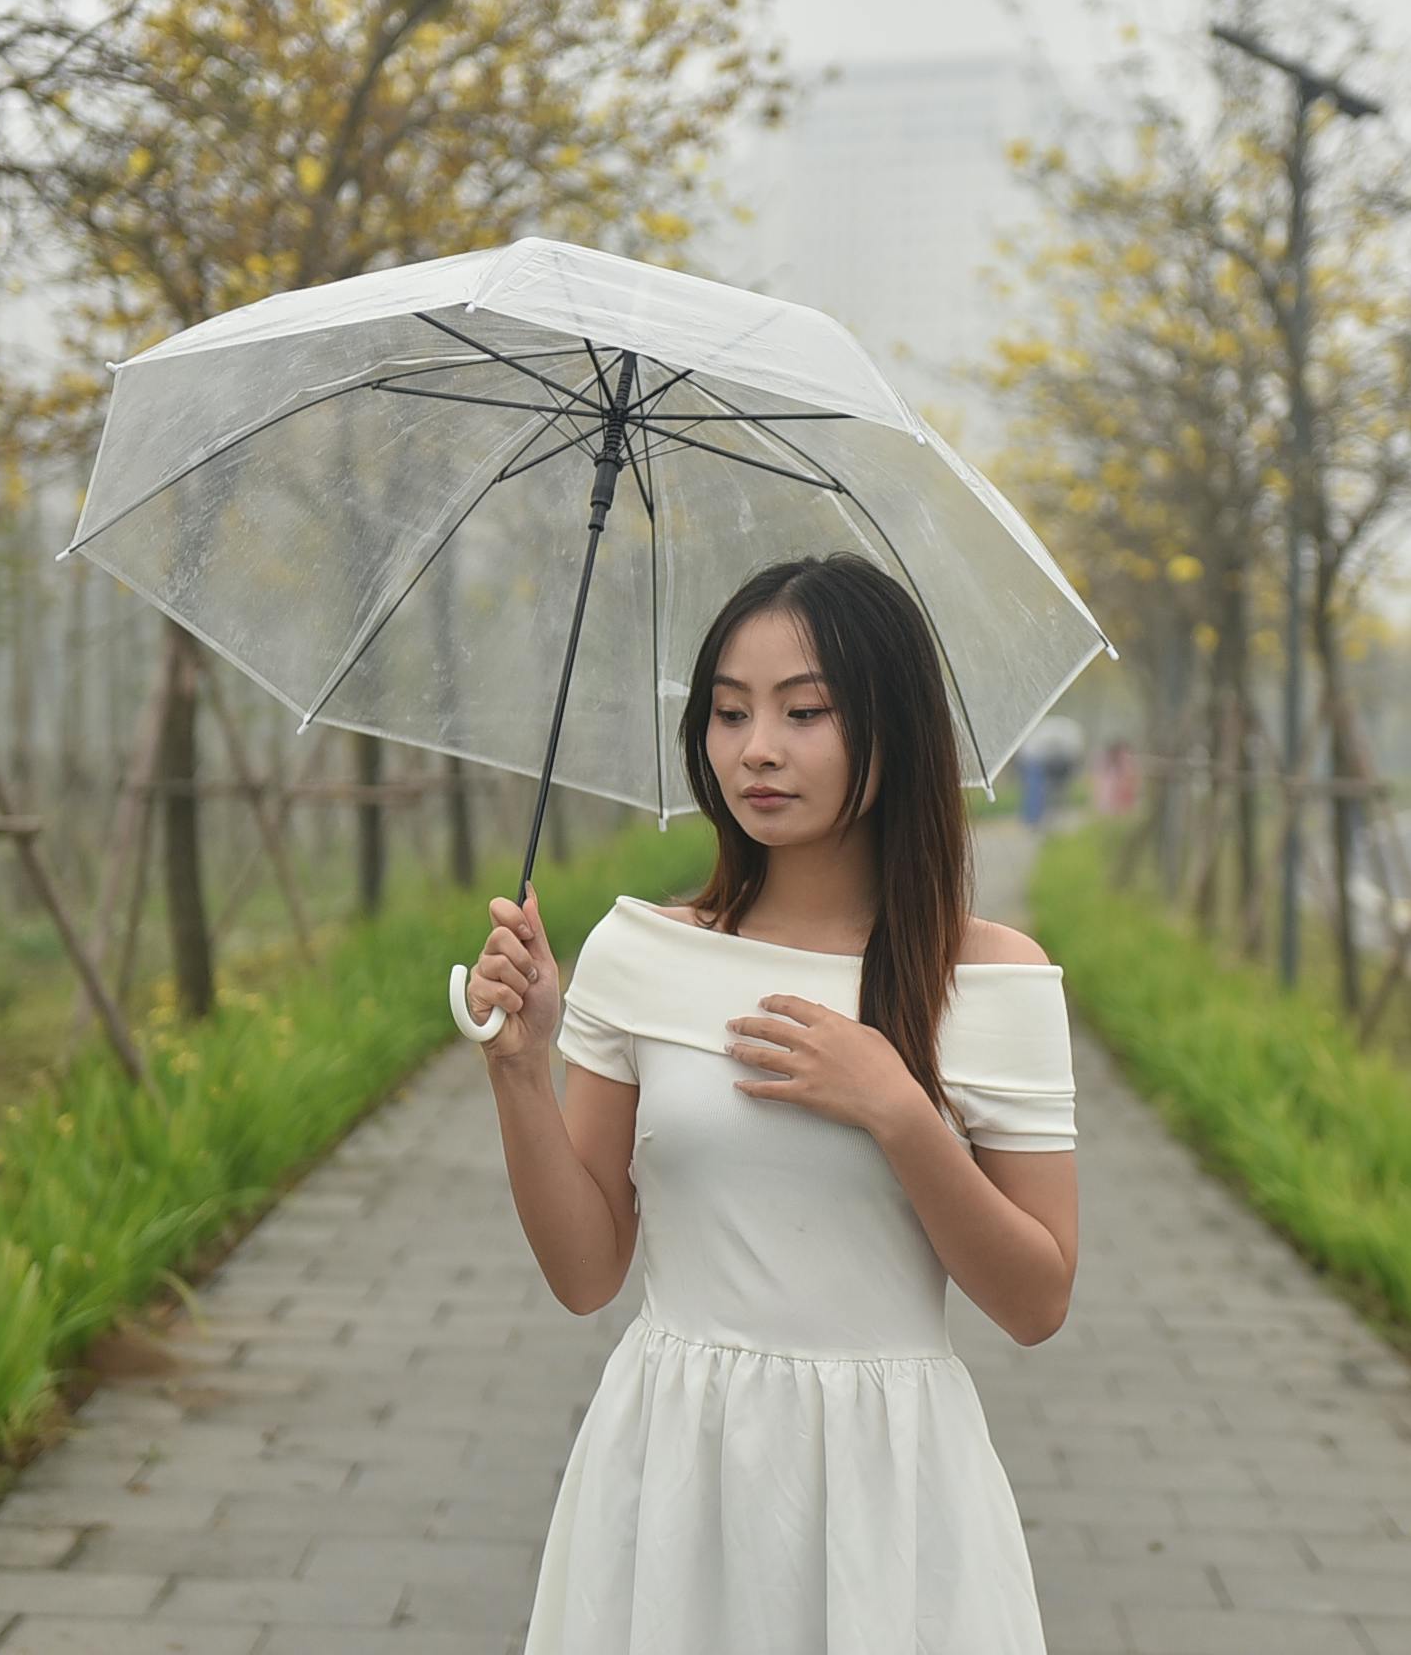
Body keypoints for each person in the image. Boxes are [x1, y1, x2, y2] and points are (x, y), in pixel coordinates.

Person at [459, 553, 1078, 1655]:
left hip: (891, 1487)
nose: (755, 748)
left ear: (893, 725)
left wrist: (896, 1108)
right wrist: (521, 1068)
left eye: (805, 712)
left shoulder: (992, 981)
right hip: (671, 1467)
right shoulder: (641, 952)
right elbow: (585, 1270)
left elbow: (1035, 1300)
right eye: (728, 712)